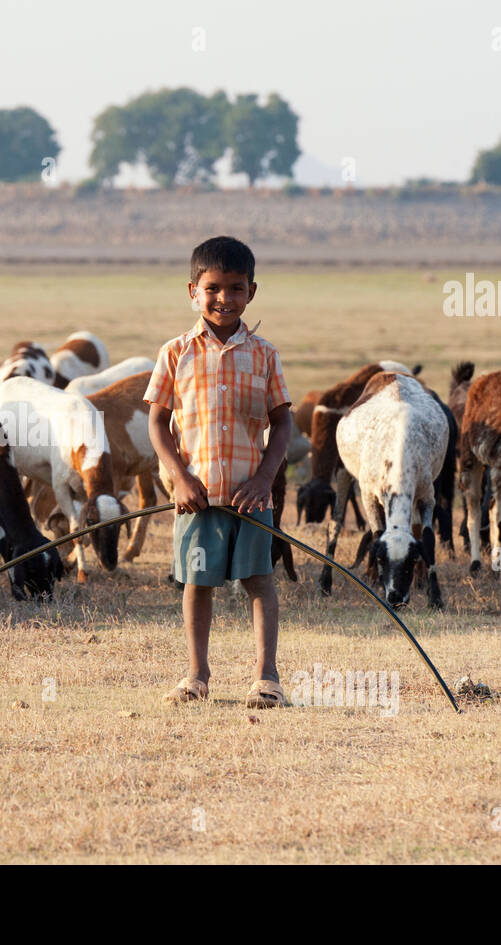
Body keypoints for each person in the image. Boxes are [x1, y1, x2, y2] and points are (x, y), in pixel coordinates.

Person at [144, 236, 293, 708]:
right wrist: (180, 478)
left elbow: (282, 422)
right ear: (193, 291)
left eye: (235, 288)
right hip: (198, 497)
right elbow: (156, 423)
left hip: (252, 499)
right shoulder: (175, 353)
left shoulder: (265, 355)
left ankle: (266, 679)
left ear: (252, 291)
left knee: (259, 582)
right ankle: (196, 677)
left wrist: (264, 480)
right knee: (197, 582)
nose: (224, 298)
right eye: (213, 288)